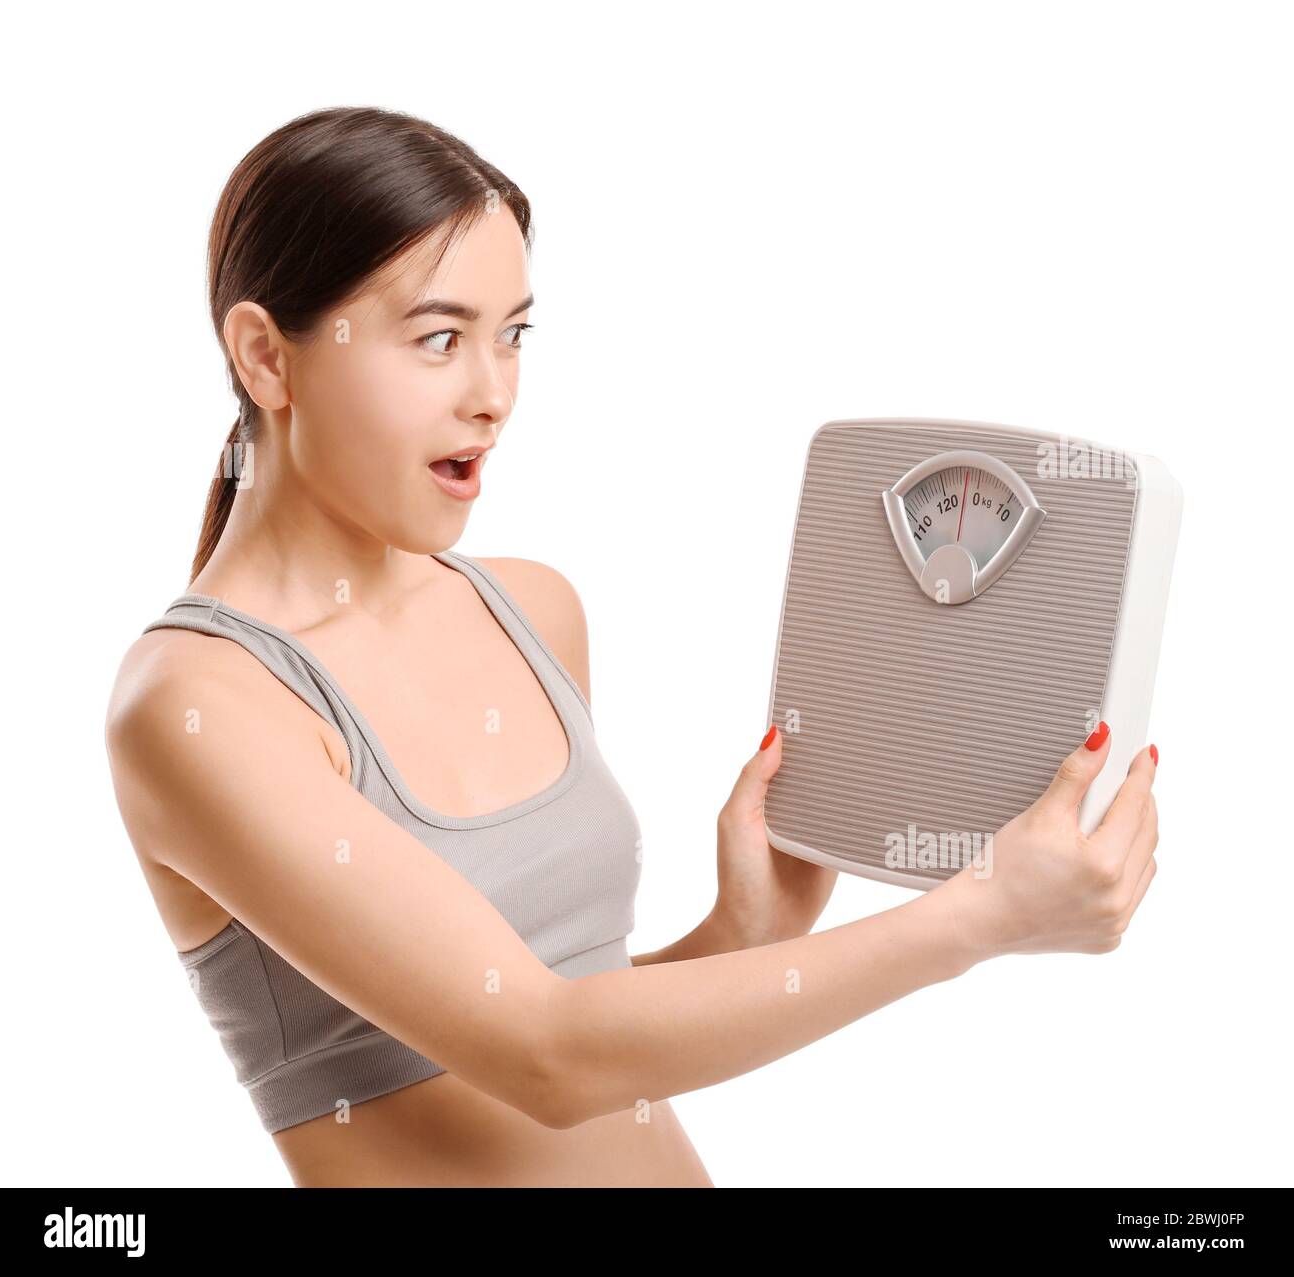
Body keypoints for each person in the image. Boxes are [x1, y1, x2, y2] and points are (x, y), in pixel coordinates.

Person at [103, 106, 1159, 1188]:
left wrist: (740, 932)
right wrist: (977, 917)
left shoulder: (530, 608)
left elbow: (572, 1029)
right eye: (438, 338)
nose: (494, 394)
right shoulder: (198, 705)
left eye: (513, 332)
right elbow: (543, 1054)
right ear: (267, 356)